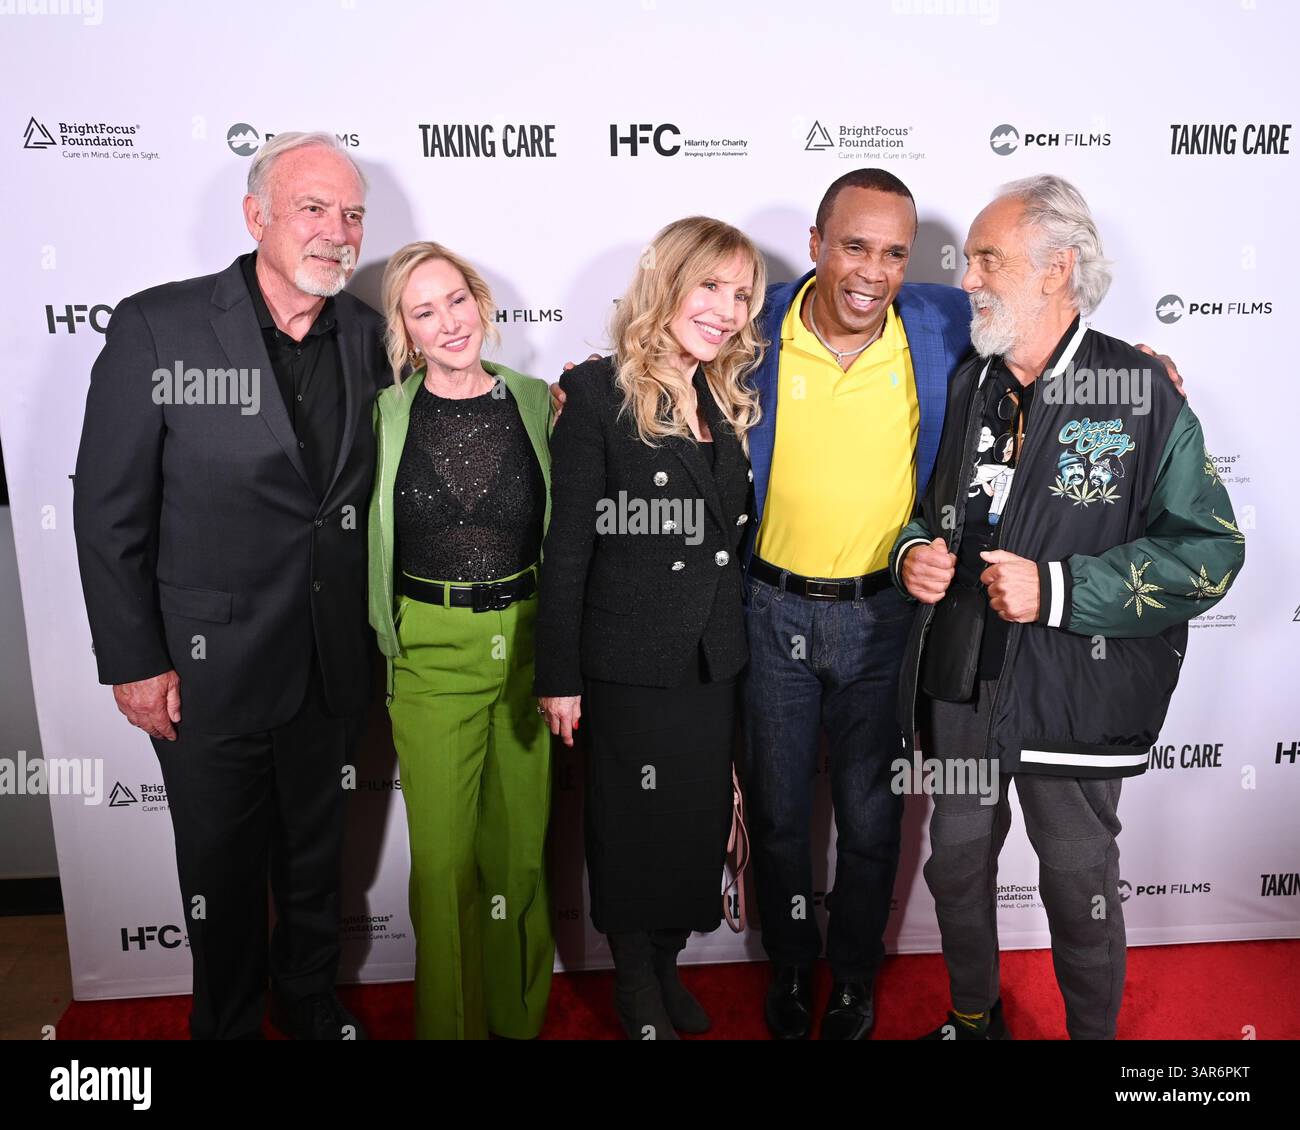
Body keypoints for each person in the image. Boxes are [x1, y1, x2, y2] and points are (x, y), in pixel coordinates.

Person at [892, 175, 1244, 1040]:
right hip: (966, 685)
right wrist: (913, 555)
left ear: (1058, 269)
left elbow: (1210, 555)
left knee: (1080, 888)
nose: (967, 278)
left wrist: (1056, 590)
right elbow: (932, 508)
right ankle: (974, 1019)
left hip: (1074, 698)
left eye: (987, 259)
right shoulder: (974, 379)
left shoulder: (1141, 388)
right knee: (957, 866)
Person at [72, 132, 386, 1039]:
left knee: (319, 859)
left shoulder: (368, 334)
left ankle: (312, 1000)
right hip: (205, 674)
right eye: (313, 209)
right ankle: (231, 1020)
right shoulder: (158, 326)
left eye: (352, 214)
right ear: (257, 218)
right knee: (221, 871)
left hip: (332, 664)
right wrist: (135, 662)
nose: (337, 232)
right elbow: (109, 510)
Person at [534, 216, 766, 1039]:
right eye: (711, 287)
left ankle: (665, 967)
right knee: (634, 829)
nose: (727, 309)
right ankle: (635, 984)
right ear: (667, 283)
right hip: (628, 661)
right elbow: (566, 550)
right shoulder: (597, 391)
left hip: (712, 658)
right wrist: (557, 674)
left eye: (741, 294)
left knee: (695, 826)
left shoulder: (725, 396)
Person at [367, 242, 555, 1040]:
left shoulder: (541, 402)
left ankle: (517, 1020)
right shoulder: (384, 416)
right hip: (430, 653)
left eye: (456, 301)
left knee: (519, 860)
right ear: (404, 333)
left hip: (528, 649)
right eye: (424, 311)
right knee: (443, 869)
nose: (447, 323)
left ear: (480, 303)